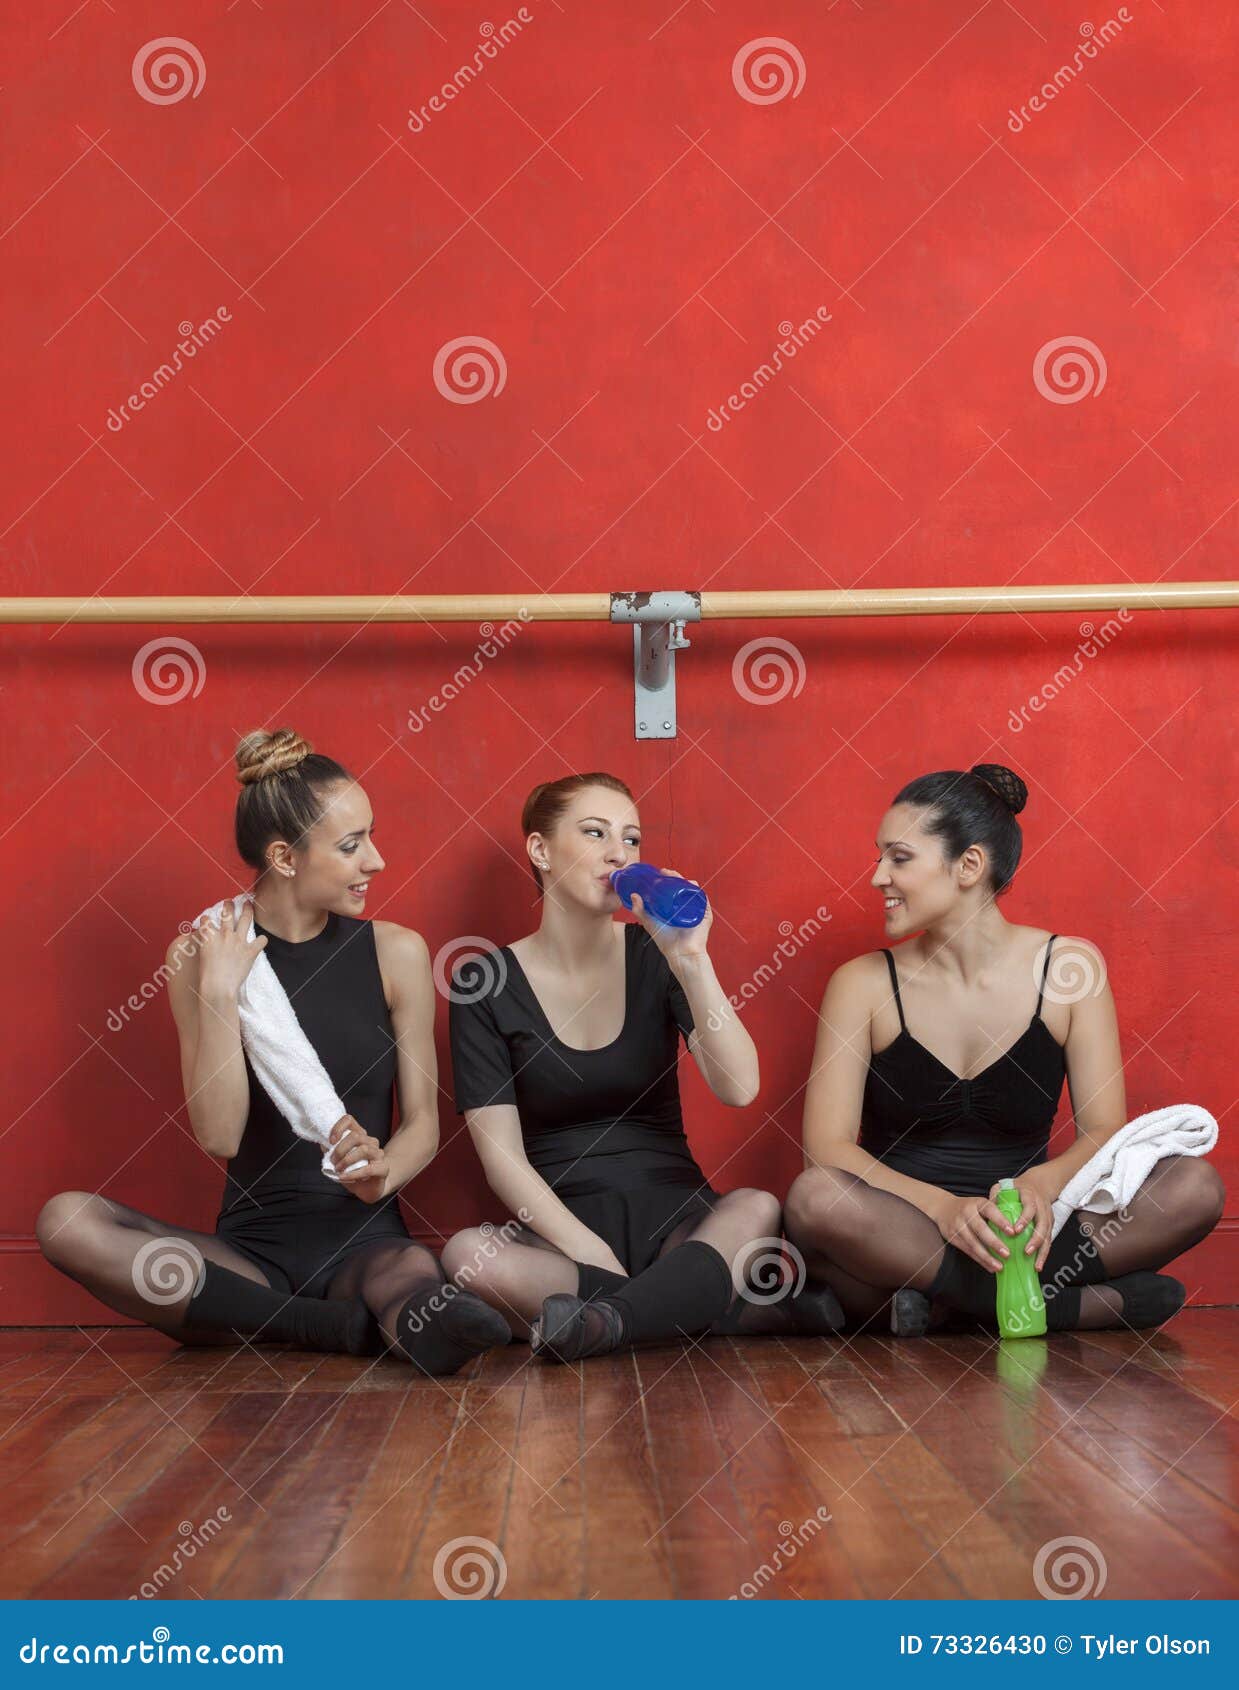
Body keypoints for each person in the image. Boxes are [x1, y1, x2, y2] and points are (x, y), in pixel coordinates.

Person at [36, 727, 509, 1376]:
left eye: (369, 836)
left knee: (417, 1289)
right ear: (285, 858)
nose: (375, 861)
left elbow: (422, 1122)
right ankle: (316, 1326)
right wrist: (221, 994)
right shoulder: (200, 956)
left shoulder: (395, 951)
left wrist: (384, 1175)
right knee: (65, 1221)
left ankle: (341, 1321)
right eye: (351, 845)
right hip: (246, 1258)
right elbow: (220, 1134)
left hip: (363, 1242)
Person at [784, 764, 1225, 1336]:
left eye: (898, 858)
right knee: (815, 1199)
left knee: (1195, 1187)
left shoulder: (1069, 969)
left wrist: (1041, 1187)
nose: (877, 879)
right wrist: (945, 1211)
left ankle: (951, 1308)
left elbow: (1102, 1132)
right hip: (906, 1229)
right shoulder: (862, 983)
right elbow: (827, 1151)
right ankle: (1058, 1307)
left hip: (1034, 1229)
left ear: (968, 865)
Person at [442, 772, 843, 1362]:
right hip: (561, 1232)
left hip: (679, 1221)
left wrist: (693, 960)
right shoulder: (482, 984)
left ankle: (611, 1320)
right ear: (539, 849)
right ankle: (713, 1307)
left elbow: (739, 1087)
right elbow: (504, 1162)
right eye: (596, 833)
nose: (618, 853)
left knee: (756, 1206)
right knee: (464, 1255)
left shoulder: (655, 957)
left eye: (631, 840)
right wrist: (588, 1251)